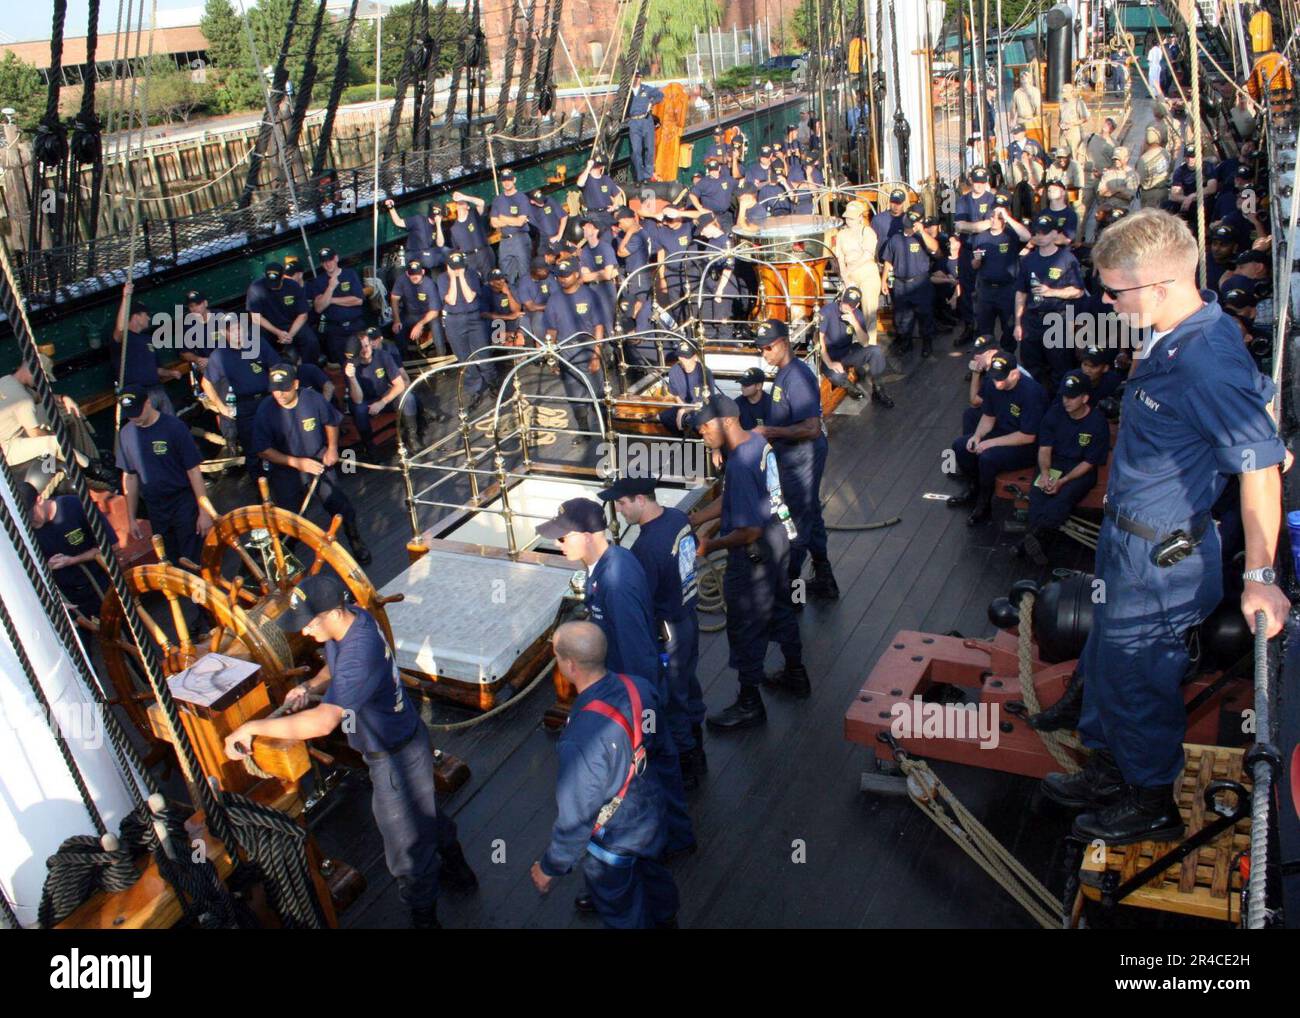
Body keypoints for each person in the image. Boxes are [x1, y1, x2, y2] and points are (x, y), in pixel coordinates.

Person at [1041, 209, 1289, 845]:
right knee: (1107, 653)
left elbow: (1261, 469)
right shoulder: (1184, 328)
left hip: (1163, 560)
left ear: (1156, 287)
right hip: (1128, 542)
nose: (1106, 302)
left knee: (1139, 676)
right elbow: (1256, 410)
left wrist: (1260, 576)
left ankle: (1150, 797)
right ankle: (1107, 765)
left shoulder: (1204, 361)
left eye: (1114, 291)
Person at [225, 572, 477, 928]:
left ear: (330, 613)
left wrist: (253, 728)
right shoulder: (355, 618)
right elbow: (336, 665)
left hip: (394, 759)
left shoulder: (359, 651)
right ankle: (460, 871)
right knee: (424, 816)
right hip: (406, 741)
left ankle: (425, 918)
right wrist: (311, 686)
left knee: (405, 848)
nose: (304, 632)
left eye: (308, 623)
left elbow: (324, 724)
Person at [538, 498, 694, 853]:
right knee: (660, 768)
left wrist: (639, 714)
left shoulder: (616, 581)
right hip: (641, 691)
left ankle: (667, 843)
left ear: (588, 535)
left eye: (563, 537)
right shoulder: (616, 562)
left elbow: (637, 651)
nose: (558, 543)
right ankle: (678, 837)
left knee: (648, 773)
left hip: (636, 696)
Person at [530, 621, 680, 929]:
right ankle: (666, 919)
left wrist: (550, 867)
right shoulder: (639, 688)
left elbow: (577, 817)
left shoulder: (580, 738)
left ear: (569, 666)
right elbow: (658, 741)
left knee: (622, 910)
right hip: (650, 813)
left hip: (616, 837)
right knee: (655, 877)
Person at [688, 395, 805, 730]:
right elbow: (733, 496)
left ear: (726, 422)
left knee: (745, 624)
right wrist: (698, 519)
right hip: (779, 538)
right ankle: (797, 674)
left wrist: (711, 545)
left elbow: (748, 530)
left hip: (754, 554)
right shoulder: (755, 441)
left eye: (705, 427)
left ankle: (749, 702)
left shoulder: (738, 464)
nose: (702, 434)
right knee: (781, 607)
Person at [598, 476, 707, 787]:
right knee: (688, 682)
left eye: (622, 503)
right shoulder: (677, 518)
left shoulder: (646, 547)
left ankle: (687, 762)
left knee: (671, 697)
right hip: (688, 618)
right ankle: (697, 744)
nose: (618, 512)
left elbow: (640, 600)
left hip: (668, 630)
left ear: (641, 500)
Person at [750, 318, 836, 601]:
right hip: (791, 456)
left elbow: (811, 428)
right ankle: (824, 577)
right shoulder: (783, 373)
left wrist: (768, 431)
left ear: (784, 343)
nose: (764, 353)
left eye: (768, 347)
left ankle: (790, 588)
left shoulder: (796, 377)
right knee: (810, 513)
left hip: (802, 458)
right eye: (761, 349)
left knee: (796, 519)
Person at [253, 363, 370, 564]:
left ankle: (356, 542)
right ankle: (285, 563)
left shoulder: (313, 399)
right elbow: (263, 450)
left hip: (318, 463)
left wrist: (332, 448)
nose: (279, 394)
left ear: (296, 384)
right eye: (275, 389)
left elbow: (331, 421)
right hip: (287, 472)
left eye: (285, 389)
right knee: (290, 521)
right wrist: (298, 463)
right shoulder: (265, 410)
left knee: (341, 507)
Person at [114, 386, 216, 565]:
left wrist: (204, 512)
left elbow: (193, 470)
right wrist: (131, 518)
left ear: (147, 403)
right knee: (168, 558)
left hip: (182, 502)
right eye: (130, 414)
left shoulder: (174, 427)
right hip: (155, 508)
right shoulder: (126, 434)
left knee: (193, 556)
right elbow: (129, 477)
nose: (134, 418)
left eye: (137, 412)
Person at [1019, 369, 1110, 565]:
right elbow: (1044, 448)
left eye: (1072, 397)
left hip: (1079, 470)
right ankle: (1037, 539)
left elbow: (1089, 462)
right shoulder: (1055, 413)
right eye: (1064, 396)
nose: (1066, 401)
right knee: (1038, 495)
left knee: (1063, 498)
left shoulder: (1097, 423)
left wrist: (1063, 481)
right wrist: (1044, 474)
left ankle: (1031, 540)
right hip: (1054, 463)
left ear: (1085, 398)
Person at [946, 353, 1047, 526]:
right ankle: (974, 488)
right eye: (994, 378)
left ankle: (984, 504)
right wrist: (977, 437)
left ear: (1014, 374)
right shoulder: (993, 384)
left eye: (1001, 379)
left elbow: (1027, 436)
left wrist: (989, 443)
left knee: (988, 458)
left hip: (1026, 445)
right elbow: (988, 416)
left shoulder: (1032, 393)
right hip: (1001, 432)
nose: (996, 382)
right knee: (961, 446)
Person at [18, 481, 116, 621]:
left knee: (124, 631)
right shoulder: (27, 530)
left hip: (101, 585)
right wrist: (47, 567)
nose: (32, 522)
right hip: (69, 598)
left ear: (39, 499)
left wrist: (72, 560)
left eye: (32, 515)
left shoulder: (74, 506)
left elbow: (109, 546)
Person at [1014, 214, 1086, 391]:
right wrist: (1017, 323)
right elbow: (1021, 293)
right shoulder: (1028, 260)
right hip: (1032, 320)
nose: (1040, 236)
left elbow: (1078, 291)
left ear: (1055, 233)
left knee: (1060, 368)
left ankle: (1058, 407)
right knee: (1031, 368)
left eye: (1045, 233)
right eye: (1036, 233)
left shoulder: (1067, 260)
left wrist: (1051, 291)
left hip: (1057, 321)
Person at [200, 313, 280, 473]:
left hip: (267, 400)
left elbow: (276, 367)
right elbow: (206, 383)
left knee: (278, 441)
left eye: (239, 327)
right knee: (252, 450)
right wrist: (221, 407)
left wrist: (278, 394)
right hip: (245, 406)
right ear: (224, 333)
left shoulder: (258, 343)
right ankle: (260, 487)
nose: (237, 332)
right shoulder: (219, 355)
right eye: (231, 330)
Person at [543, 258, 606, 434]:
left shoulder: (590, 295)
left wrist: (596, 354)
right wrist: (551, 357)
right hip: (567, 352)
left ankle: (606, 429)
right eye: (560, 276)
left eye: (566, 275)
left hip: (588, 347)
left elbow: (599, 326)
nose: (563, 279)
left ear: (576, 274)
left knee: (597, 394)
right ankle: (584, 431)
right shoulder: (553, 300)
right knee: (574, 395)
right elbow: (551, 330)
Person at [437, 251, 496, 410]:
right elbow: (452, 299)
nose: (457, 269)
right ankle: (474, 390)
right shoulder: (442, 278)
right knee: (464, 358)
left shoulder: (471, 274)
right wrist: (452, 277)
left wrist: (461, 276)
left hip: (473, 318)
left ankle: (492, 383)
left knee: (483, 353)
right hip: (454, 320)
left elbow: (470, 297)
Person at [111, 283, 181, 413]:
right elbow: (120, 329)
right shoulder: (124, 339)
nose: (149, 318)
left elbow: (156, 369)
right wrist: (126, 296)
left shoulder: (147, 339)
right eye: (146, 314)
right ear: (136, 316)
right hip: (138, 395)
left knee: (171, 424)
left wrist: (170, 373)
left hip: (158, 389)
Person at [818, 287, 893, 407]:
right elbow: (818, 340)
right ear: (841, 298)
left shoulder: (857, 314)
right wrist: (829, 363)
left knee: (876, 351)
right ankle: (849, 387)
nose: (846, 306)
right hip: (829, 354)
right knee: (835, 375)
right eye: (845, 302)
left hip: (847, 351)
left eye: (851, 305)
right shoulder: (827, 311)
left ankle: (878, 390)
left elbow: (865, 343)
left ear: (857, 305)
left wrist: (855, 323)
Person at [971, 197, 1030, 349]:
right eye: (991, 216)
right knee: (984, 329)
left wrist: (1008, 218)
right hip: (986, 290)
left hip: (1007, 290)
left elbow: (1027, 236)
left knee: (1009, 328)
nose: (994, 220)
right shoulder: (980, 237)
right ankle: (984, 364)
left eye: (998, 217)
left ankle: (1006, 361)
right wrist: (976, 261)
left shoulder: (1011, 235)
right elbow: (974, 264)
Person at [881, 206, 939, 357]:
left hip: (920, 283)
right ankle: (906, 343)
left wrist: (923, 232)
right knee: (902, 318)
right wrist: (883, 280)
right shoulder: (895, 238)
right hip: (901, 284)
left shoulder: (922, 238)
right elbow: (888, 260)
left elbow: (936, 250)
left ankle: (927, 344)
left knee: (925, 315)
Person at [246, 262, 321, 366]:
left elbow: (303, 314)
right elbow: (256, 317)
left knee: (311, 341)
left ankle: (309, 369)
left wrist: (290, 334)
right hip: (268, 327)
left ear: (283, 277)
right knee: (253, 340)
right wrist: (277, 332)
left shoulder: (292, 286)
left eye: (276, 282)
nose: (273, 286)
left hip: (291, 324)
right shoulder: (255, 288)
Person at [953, 168, 997, 344]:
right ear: (971, 180)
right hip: (967, 249)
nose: (979, 185)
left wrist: (970, 226)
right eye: (976, 181)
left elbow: (990, 224)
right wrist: (980, 225)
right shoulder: (963, 200)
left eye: (982, 181)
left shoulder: (991, 199)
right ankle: (969, 326)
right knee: (966, 289)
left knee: (985, 290)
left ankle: (985, 330)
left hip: (986, 249)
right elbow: (959, 225)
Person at [833, 200, 883, 347]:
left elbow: (868, 255)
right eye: (847, 217)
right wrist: (845, 275)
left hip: (867, 273)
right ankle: (849, 344)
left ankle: (871, 346)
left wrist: (850, 270)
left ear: (860, 217)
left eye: (852, 218)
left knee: (869, 312)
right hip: (849, 276)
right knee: (846, 310)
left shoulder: (868, 232)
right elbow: (840, 257)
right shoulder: (842, 234)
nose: (849, 220)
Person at [306, 248, 366, 365]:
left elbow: (358, 300)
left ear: (336, 258)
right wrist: (331, 287)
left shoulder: (350, 274)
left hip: (355, 326)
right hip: (335, 331)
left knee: (362, 360)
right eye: (324, 262)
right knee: (343, 366)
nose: (328, 264)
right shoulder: (318, 281)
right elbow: (319, 308)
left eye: (330, 260)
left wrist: (330, 300)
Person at [389, 258, 445, 358]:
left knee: (436, 325)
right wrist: (396, 320)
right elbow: (394, 299)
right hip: (410, 314)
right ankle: (403, 360)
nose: (415, 277)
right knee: (398, 328)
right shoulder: (401, 280)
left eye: (417, 274)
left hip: (427, 315)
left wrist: (420, 324)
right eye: (412, 274)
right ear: (407, 273)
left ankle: (441, 355)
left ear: (422, 272)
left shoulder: (429, 284)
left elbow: (435, 312)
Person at [489, 169, 533, 287]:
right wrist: (511, 220)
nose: (506, 183)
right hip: (504, 241)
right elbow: (493, 222)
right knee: (506, 276)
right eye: (504, 180)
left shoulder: (521, 198)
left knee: (525, 275)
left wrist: (503, 218)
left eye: (509, 180)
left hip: (520, 239)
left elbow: (520, 222)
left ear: (514, 180)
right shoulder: (498, 200)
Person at [384, 199, 448, 272]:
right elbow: (398, 222)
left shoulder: (438, 227)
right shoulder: (418, 220)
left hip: (428, 252)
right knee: (428, 259)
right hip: (413, 254)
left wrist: (438, 225)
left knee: (446, 250)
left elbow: (440, 245)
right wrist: (391, 208)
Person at [447, 192, 495, 280]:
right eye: (458, 203)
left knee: (491, 282)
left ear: (468, 207)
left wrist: (464, 196)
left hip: (483, 254)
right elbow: (456, 249)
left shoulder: (474, 215)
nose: (460, 203)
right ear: (456, 207)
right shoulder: (454, 228)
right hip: (469, 260)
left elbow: (481, 203)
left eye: (463, 202)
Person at [627, 70, 664, 182]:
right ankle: (639, 177)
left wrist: (651, 102)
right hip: (634, 122)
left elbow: (660, 95)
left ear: (640, 78)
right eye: (634, 77)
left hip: (646, 121)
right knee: (636, 151)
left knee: (649, 148)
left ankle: (648, 175)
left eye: (638, 77)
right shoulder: (627, 92)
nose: (636, 79)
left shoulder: (647, 89)